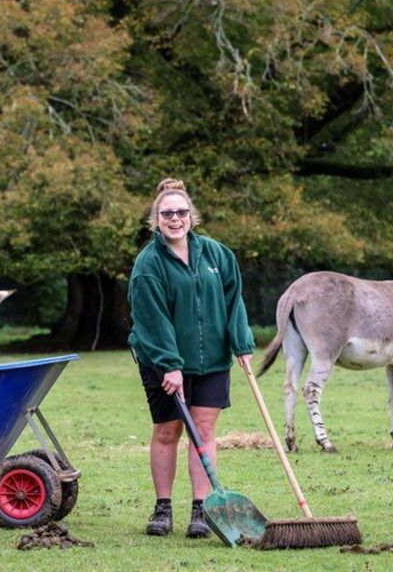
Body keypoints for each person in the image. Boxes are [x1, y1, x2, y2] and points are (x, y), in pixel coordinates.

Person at [128, 178, 255, 539]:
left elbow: (234, 301)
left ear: (191, 216)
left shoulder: (217, 255)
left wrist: (242, 342)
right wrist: (170, 364)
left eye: (181, 212)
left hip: (212, 360)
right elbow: (151, 319)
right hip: (162, 362)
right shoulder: (148, 264)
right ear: (156, 218)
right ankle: (163, 508)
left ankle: (202, 510)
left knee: (204, 431)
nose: (175, 219)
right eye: (167, 213)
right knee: (168, 430)